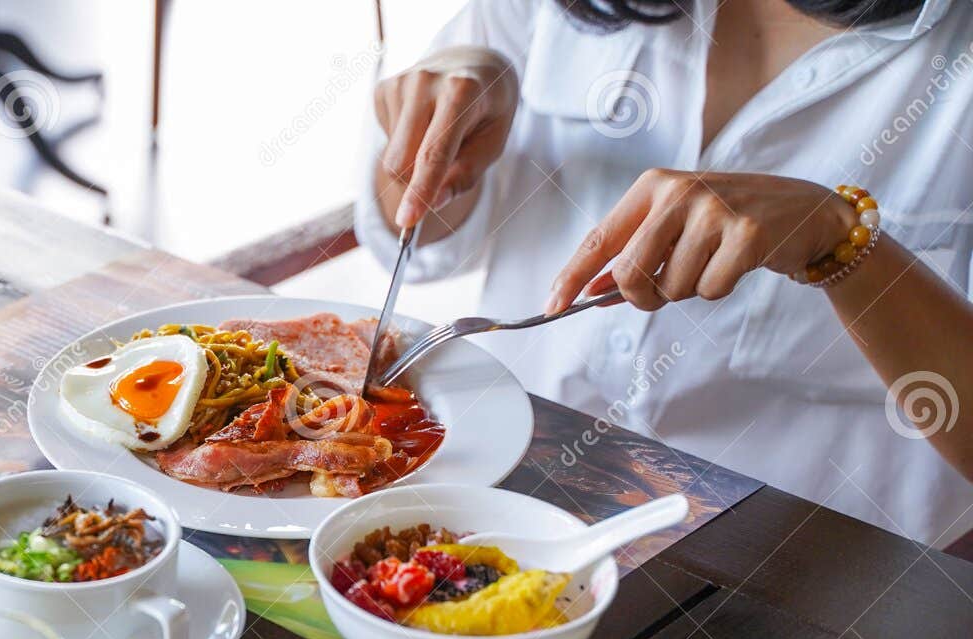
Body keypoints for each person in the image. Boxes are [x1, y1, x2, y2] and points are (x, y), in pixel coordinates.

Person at [358, 0, 973, 546]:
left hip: (805, 590)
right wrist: (437, 144)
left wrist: (842, 245)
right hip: (490, 521)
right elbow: (413, 237)